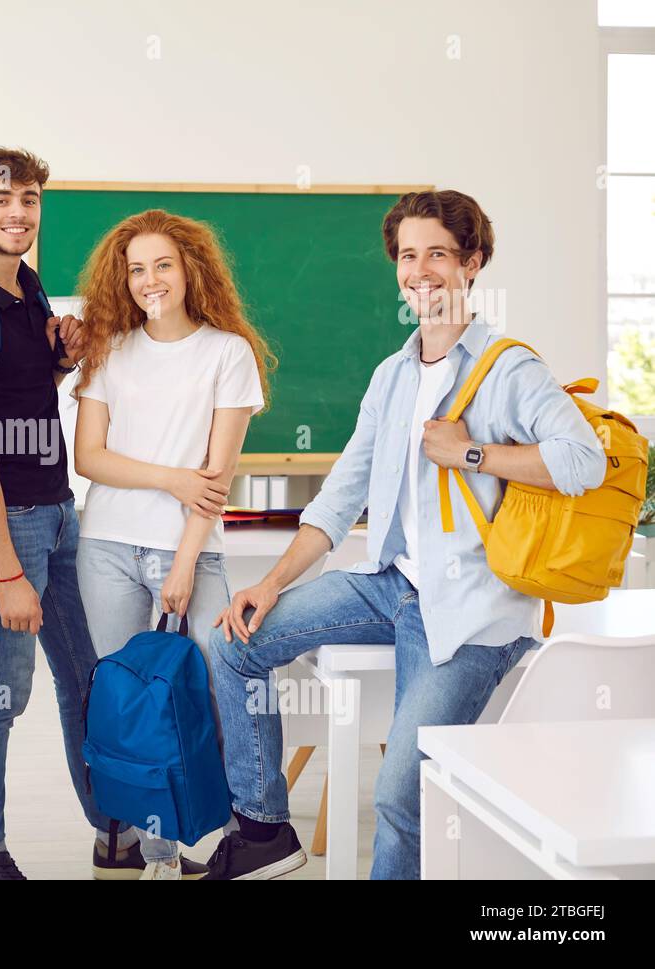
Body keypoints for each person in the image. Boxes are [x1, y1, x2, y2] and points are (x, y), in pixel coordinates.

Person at [207, 189, 608, 880]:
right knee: (232, 640)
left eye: (439, 255)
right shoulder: (392, 376)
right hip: (391, 585)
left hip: (473, 610)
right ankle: (266, 829)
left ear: (473, 262)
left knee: (399, 794)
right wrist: (270, 584)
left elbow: (584, 462)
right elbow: (342, 496)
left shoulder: (508, 368)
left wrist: (470, 453)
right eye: (408, 255)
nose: (421, 271)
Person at [0, 147, 138, 880]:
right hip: (1, 526)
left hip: (61, 512)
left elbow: (19, 393)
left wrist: (61, 358)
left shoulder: (26, 284)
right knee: (3, 690)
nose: (17, 213)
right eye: (1, 200)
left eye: (29, 200)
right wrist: (8, 568)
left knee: (89, 676)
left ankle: (115, 833)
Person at [73, 209, 272, 879]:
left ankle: (204, 843)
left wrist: (184, 560)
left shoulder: (227, 353)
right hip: (103, 547)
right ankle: (157, 853)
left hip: (187, 551)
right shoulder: (112, 351)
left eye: (162, 265)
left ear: (190, 269)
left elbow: (215, 482)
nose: (149, 280)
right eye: (136, 269)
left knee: (211, 693)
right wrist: (170, 477)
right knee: (133, 711)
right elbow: (90, 457)